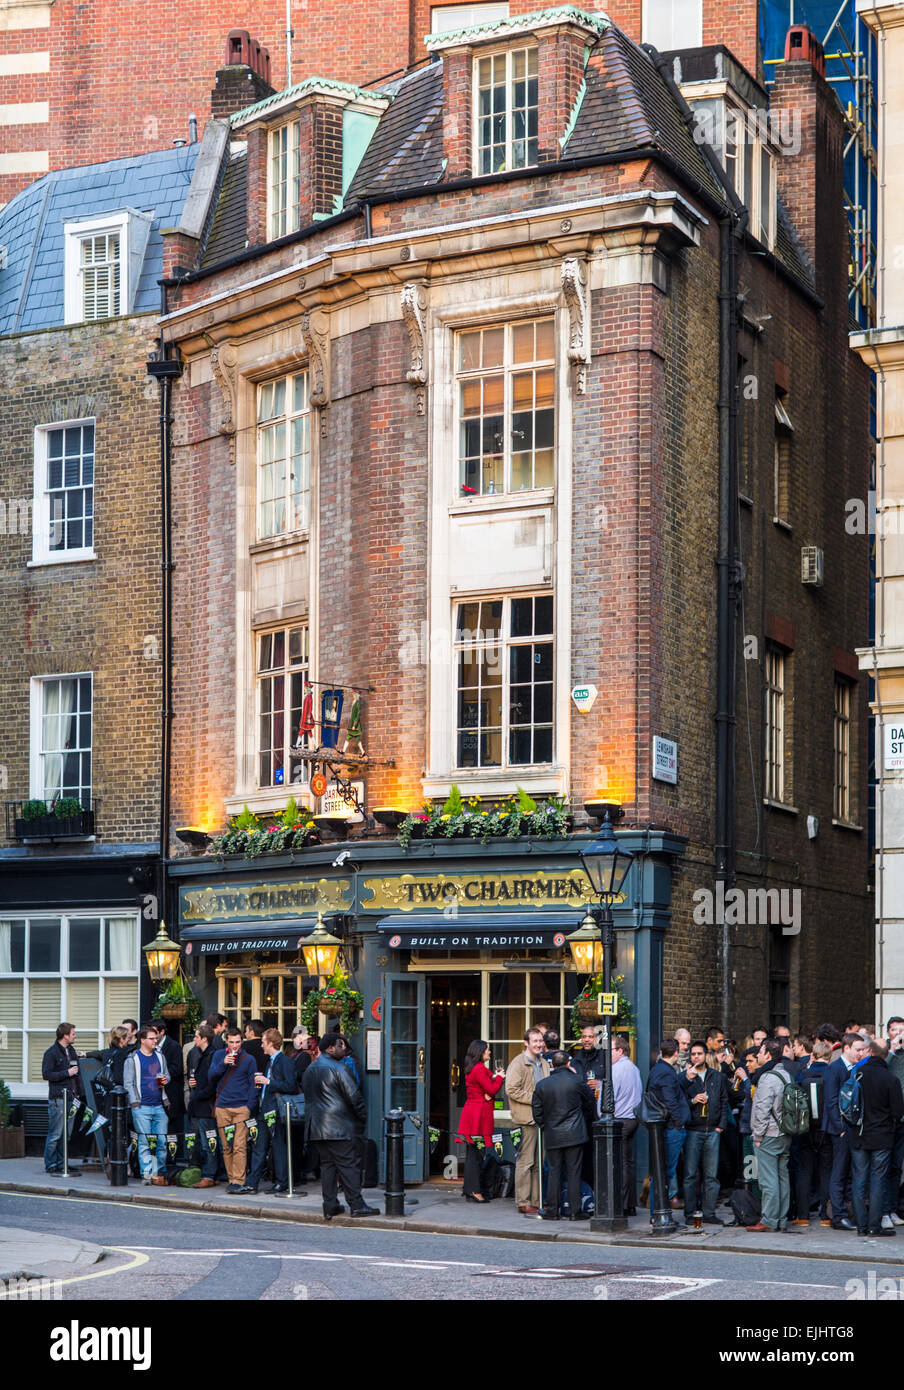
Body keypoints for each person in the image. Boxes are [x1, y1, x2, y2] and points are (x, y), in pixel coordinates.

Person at [302, 1032, 377, 1219]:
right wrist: (362, 1120)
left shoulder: (310, 1069)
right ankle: (357, 1205)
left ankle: (330, 1205)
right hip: (339, 1126)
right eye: (340, 1045)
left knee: (328, 1166)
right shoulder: (340, 1068)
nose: (344, 1048)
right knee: (348, 1166)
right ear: (330, 1048)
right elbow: (355, 1098)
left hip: (317, 1127)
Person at [848, 1039, 904, 1236]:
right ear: (886, 1054)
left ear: (870, 1052)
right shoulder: (891, 1079)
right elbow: (898, 1112)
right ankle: (874, 1225)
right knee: (878, 1181)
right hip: (882, 1137)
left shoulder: (858, 1075)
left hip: (859, 1134)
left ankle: (861, 1226)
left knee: (859, 1180)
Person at [532, 1052, 595, 1221]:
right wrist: (583, 1119)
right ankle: (575, 1211)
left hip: (553, 1133)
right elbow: (590, 1103)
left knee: (554, 1172)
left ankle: (552, 1210)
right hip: (575, 1133)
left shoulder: (543, 1085)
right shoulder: (578, 1081)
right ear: (568, 1064)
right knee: (574, 1172)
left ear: (552, 1065)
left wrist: (546, 1126)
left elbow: (537, 1111)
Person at [240, 1028, 300, 1195]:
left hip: (276, 1110)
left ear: (271, 1043)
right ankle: (252, 1184)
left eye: (263, 1042)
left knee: (279, 1146)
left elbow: (291, 1086)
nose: (261, 1046)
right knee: (259, 1147)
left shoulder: (285, 1062)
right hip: (264, 1109)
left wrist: (268, 1081)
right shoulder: (269, 1062)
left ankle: (282, 1183)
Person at [746, 1037, 794, 1232]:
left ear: (767, 1054)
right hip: (785, 1133)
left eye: (760, 1052)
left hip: (769, 1135)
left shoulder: (767, 1078)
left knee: (768, 1180)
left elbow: (761, 1110)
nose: (757, 1055)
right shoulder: (786, 1075)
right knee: (783, 1178)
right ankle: (781, 1219)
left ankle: (769, 1219)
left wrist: (757, 1136)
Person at [681, 1039, 729, 1225]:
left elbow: (725, 1102)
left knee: (711, 1176)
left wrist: (720, 1127)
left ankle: (709, 1213)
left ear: (706, 1055)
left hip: (713, 1131)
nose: (695, 1057)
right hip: (693, 1130)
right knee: (690, 1174)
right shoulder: (686, 1078)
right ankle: (690, 1213)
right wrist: (693, 1100)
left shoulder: (717, 1077)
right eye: (693, 1054)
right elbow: (678, 1103)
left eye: (699, 1053)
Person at [824, 1030, 869, 1229]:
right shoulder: (834, 1068)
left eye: (862, 1050)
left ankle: (849, 1212)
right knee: (839, 1172)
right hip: (840, 1129)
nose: (860, 1053)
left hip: (854, 1128)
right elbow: (831, 1100)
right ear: (847, 1048)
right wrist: (840, 1128)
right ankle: (838, 1215)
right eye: (857, 1050)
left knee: (851, 1172)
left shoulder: (857, 1068)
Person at [505, 1027, 550, 1216]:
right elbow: (511, 1089)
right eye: (535, 1041)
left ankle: (537, 1200)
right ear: (526, 1043)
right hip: (526, 1120)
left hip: (542, 1119)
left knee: (539, 1163)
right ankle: (523, 1202)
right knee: (526, 1162)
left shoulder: (543, 1063)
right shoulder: (519, 1063)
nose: (539, 1044)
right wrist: (535, 1098)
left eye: (541, 1041)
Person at [208, 1026, 258, 1192]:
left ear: (241, 1041)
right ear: (226, 1042)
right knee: (226, 1146)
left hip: (241, 1108)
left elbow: (253, 1084)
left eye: (238, 1042)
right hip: (222, 1107)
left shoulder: (249, 1059)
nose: (235, 1046)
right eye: (232, 1042)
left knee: (239, 1145)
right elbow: (211, 1077)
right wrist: (223, 1064)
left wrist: (249, 1106)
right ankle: (232, 1179)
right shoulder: (218, 1055)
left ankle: (238, 1180)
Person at [456, 1040, 505, 1202]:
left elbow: (486, 1089)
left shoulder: (475, 1068)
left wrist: (490, 1089)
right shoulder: (479, 1069)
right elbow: (491, 1089)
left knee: (473, 1153)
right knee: (477, 1154)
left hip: (473, 1111)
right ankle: (474, 1191)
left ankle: (469, 1189)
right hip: (478, 1114)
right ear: (480, 1052)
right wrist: (499, 1078)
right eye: (487, 1050)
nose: (489, 1052)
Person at [647, 1039, 691, 1214]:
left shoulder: (659, 1069)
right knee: (664, 1173)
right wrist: (678, 1122)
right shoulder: (665, 1072)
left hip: (667, 1127)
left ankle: (659, 1213)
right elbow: (670, 1100)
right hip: (671, 1128)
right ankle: (659, 1214)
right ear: (676, 1053)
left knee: (662, 1172)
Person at [793, 1039, 833, 1226]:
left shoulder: (802, 1075)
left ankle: (803, 1216)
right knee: (826, 1172)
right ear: (829, 1056)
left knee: (804, 1172)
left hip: (804, 1129)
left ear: (813, 1055)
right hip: (827, 1129)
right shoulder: (833, 1074)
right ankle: (825, 1216)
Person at [123, 1024, 170, 1185]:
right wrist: (135, 1103)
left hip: (159, 1104)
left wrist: (165, 1080)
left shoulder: (160, 1056)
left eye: (156, 1038)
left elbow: (167, 1076)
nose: (155, 1041)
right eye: (151, 1038)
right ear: (142, 1040)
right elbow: (128, 1083)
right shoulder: (132, 1058)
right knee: (144, 1142)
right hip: (141, 1106)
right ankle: (147, 1174)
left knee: (162, 1141)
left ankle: (159, 1172)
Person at [42, 1022, 84, 1175]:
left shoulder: (71, 1051)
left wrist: (79, 1093)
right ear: (65, 1035)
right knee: (56, 1133)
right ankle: (51, 1164)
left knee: (67, 1134)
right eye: (73, 1033)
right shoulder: (51, 1053)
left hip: (72, 1098)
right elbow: (47, 1074)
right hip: (58, 1098)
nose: (75, 1036)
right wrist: (67, 1072)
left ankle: (62, 1163)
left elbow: (77, 1074)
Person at [186, 1023, 224, 1188]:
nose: (194, 1039)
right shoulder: (199, 1054)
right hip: (201, 1105)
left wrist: (198, 1094)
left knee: (209, 1142)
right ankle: (213, 1173)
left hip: (206, 1106)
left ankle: (210, 1175)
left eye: (196, 1036)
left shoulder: (211, 1056)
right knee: (206, 1141)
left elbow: (212, 1083)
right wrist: (193, 1083)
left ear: (203, 1039)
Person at [611, 1031, 642, 1214]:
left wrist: (601, 1117)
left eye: (611, 1050)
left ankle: (620, 1206)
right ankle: (630, 1204)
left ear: (620, 1050)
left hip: (619, 1121)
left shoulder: (616, 1069)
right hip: (632, 1120)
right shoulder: (634, 1068)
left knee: (619, 1164)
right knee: (627, 1163)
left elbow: (609, 1098)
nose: (608, 1054)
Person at [885, 1016, 904, 1224]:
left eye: (902, 1030)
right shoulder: (884, 1052)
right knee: (885, 1166)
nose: (899, 1034)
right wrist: (891, 1050)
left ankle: (892, 1209)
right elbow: (880, 1069)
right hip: (887, 1120)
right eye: (895, 1030)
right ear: (888, 1032)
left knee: (897, 1168)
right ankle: (883, 1211)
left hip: (903, 1119)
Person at [151, 1021, 184, 1123]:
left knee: (172, 1129)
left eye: (155, 1032)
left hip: (171, 1093)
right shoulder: (150, 1046)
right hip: (153, 1095)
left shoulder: (174, 1046)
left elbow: (177, 1069)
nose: (153, 1036)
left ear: (162, 1032)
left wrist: (161, 1075)